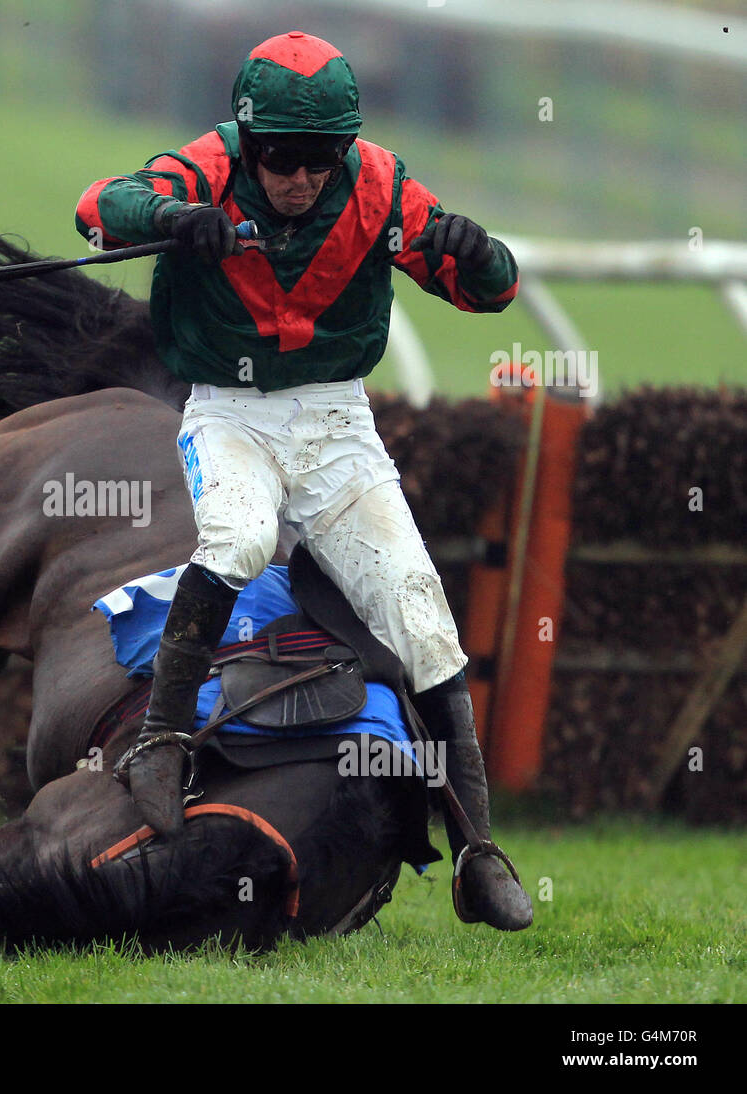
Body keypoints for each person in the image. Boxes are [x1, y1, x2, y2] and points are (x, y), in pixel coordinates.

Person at [75, 31, 532, 930]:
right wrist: (172, 220)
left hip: (336, 421)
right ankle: (161, 739)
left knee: (420, 609)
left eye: (320, 159)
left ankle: (478, 848)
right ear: (250, 144)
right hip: (228, 413)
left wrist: (475, 253)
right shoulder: (210, 162)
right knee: (240, 539)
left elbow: (496, 291)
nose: (300, 179)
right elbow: (98, 205)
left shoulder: (383, 184)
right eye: (281, 159)